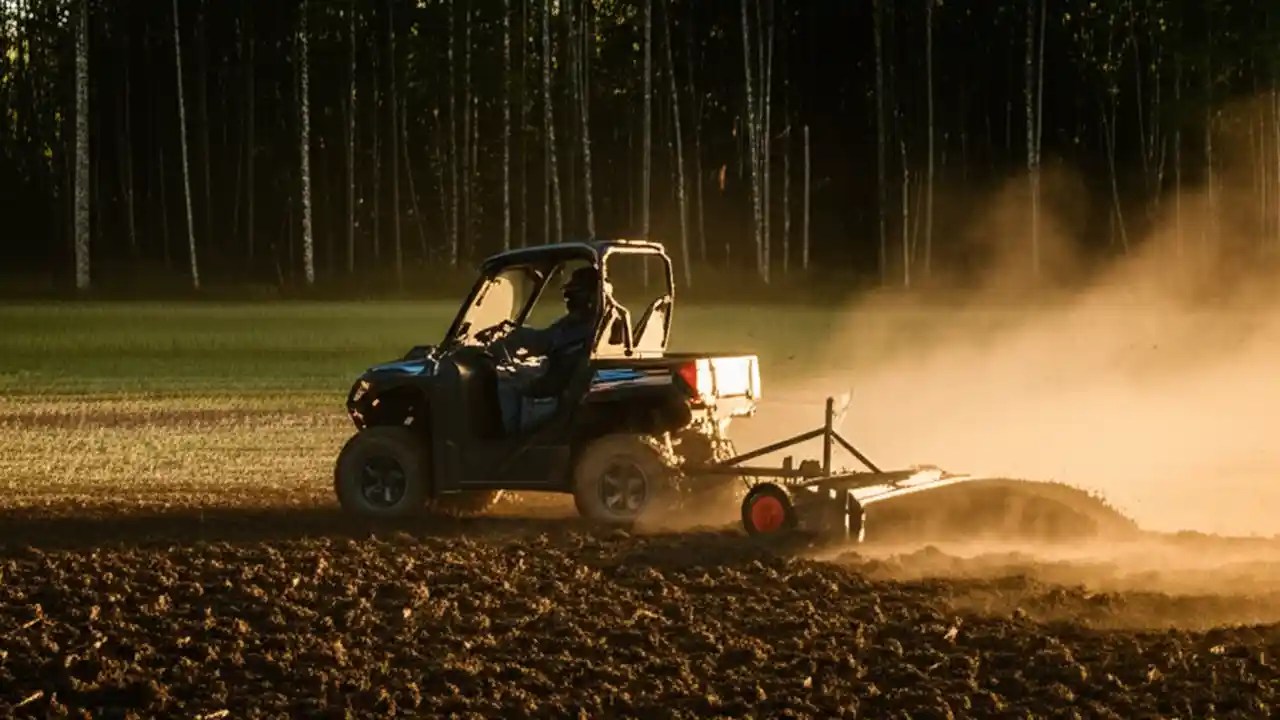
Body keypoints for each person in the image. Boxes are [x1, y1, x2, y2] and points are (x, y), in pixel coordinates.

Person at [491, 265, 603, 433]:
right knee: (522, 371)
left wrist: (515, 335)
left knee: (504, 383)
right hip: (565, 381)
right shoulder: (598, 321)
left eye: (573, 295)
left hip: (555, 392)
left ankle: (508, 444)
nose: (569, 301)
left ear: (587, 297)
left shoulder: (581, 326)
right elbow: (548, 339)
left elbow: (543, 342)